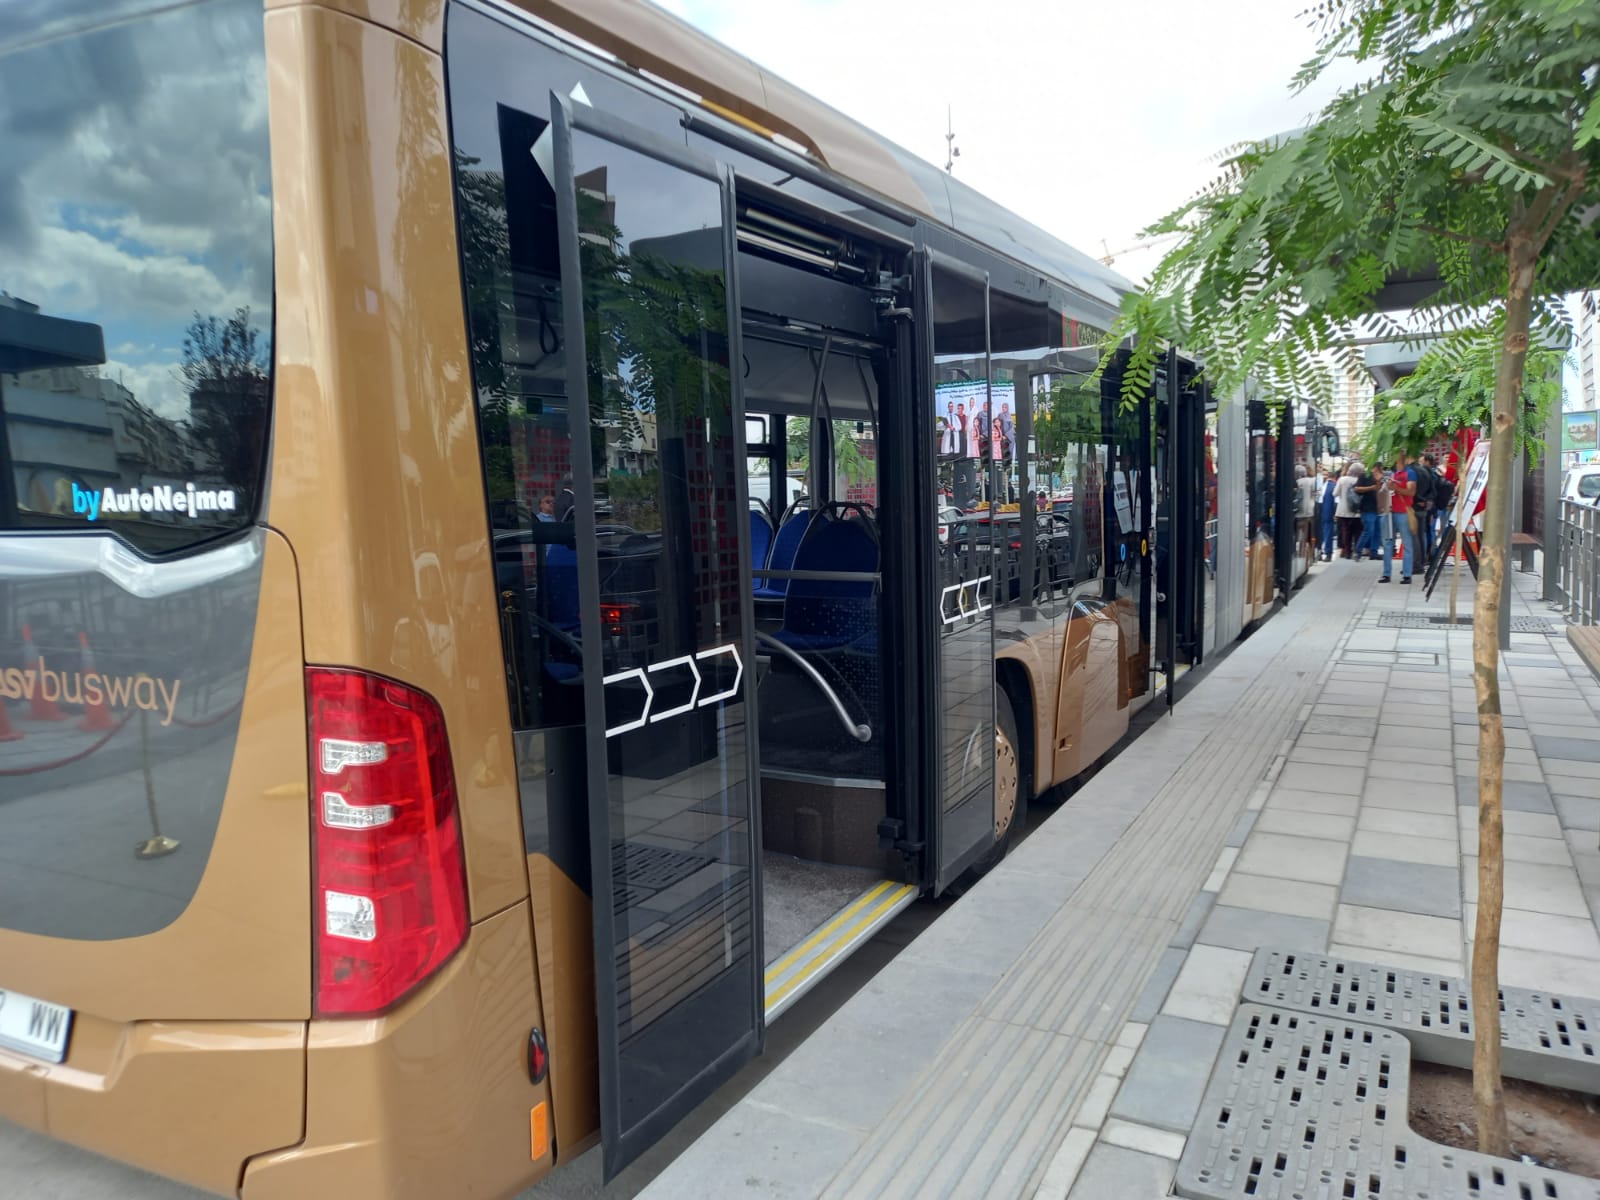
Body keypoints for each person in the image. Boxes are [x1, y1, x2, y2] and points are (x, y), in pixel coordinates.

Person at [1388, 451, 1417, 582]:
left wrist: (1396, 488)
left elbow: (1411, 491)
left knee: (1407, 543)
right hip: (1393, 511)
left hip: (1404, 512)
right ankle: (1387, 573)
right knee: (1389, 542)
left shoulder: (1410, 473)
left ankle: (1407, 574)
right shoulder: (1395, 474)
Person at [1353, 461, 1381, 560]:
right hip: (1367, 507)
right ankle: (1358, 551)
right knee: (1369, 530)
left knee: (1377, 531)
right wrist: (1371, 487)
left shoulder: (1382, 478)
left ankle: (1374, 552)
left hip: (1379, 508)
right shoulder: (1365, 476)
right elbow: (1357, 489)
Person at [1335, 462, 1362, 558]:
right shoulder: (1360, 480)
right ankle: (1357, 551)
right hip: (1357, 511)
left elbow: (1335, 493)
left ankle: (1347, 552)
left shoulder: (1342, 480)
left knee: (1346, 532)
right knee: (1357, 531)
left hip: (1343, 510)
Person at [1319, 468, 1338, 561]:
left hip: (1322, 512)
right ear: (1335, 478)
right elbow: (1336, 502)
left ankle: (1319, 552)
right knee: (1328, 533)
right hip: (1330, 513)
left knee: (1322, 533)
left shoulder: (1323, 485)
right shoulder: (1334, 486)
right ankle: (1328, 553)